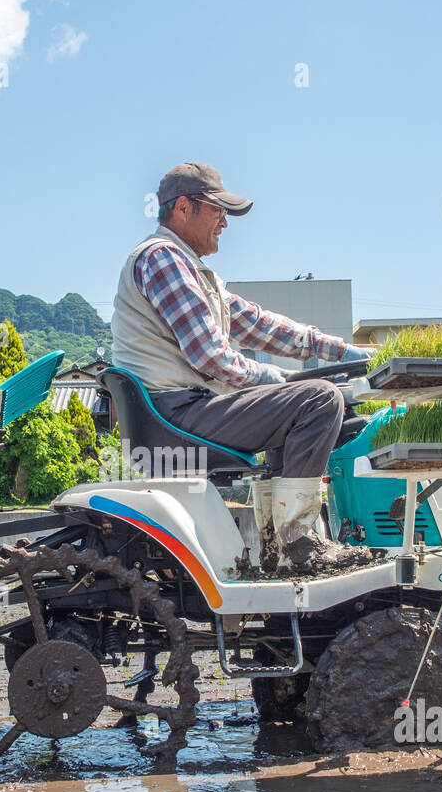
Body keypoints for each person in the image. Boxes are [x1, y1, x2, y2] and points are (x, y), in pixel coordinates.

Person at [110, 162, 369, 569]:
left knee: (294, 407)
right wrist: (266, 375)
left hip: (185, 408)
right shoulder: (163, 258)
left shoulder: (194, 272)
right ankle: (298, 543)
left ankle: (275, 549)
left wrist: (338, 350)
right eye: (218, 210)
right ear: (183, 208)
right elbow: (209, 355)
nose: (225, 222)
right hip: (176, 411)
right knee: (319, 400)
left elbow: (258, 324)